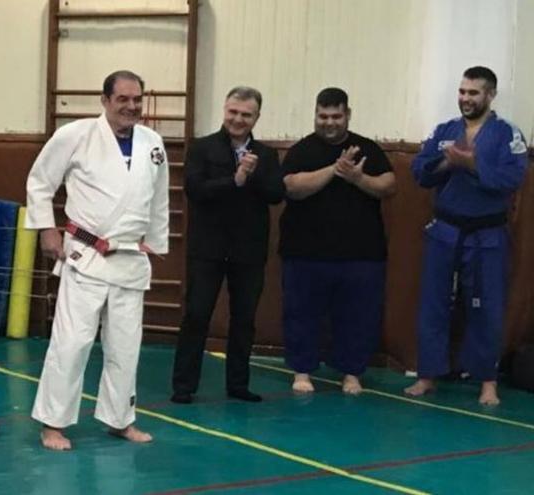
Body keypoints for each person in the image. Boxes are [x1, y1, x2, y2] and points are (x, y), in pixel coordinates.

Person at [26, 70, 169, 450]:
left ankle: (120, 418)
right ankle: (52, 423)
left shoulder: (152, 143)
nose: (131, 106)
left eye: (137, 99)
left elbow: (159, 197)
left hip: (130, 258)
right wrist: (46, 228)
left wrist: (156, 240)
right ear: (104, 101)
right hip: (86, 253)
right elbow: (40, 181)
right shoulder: (76, 135)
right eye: (122, 99)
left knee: (125, 346)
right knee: (72, 343)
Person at [405, 66, 528, 406]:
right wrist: (447, 163)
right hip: (445, 228)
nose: (465, 98)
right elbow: (419, 171)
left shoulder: (507, 134)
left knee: (487, 306)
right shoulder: (445, 130)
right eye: (462, 92)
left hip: (487, 232)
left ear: (490, 95)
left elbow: (511, 179)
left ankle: (487, 380)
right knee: (433, 302)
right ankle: (427, 375)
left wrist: (473, 166)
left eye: (473, 93)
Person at [171, 86, 284, 404]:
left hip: (248, 250)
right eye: (233, 112)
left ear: (256, 117)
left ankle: (238, 384)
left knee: (245, 319)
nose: (238, 119)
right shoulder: (202, 148)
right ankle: (183, 385)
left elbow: (276, 194)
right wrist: (234, 180)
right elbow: (195, 189)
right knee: (196, 314)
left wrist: (253, 174)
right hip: (207, 248)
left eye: (246, 114)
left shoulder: (267, 155)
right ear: (224, 110)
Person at [280, 87, 396, 395]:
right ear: (315, 114)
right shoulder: (301, 150)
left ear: (348, 115)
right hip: (305, 253)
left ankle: (352, 373)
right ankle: (302, 371)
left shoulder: (367, 149)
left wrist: (359, 178)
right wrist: (335, 169)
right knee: (301, 314)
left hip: (361, 254)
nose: (329, 122)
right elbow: (291, 186)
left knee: (358, 317)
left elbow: (389, 184)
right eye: (323, 116)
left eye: (336, 116)